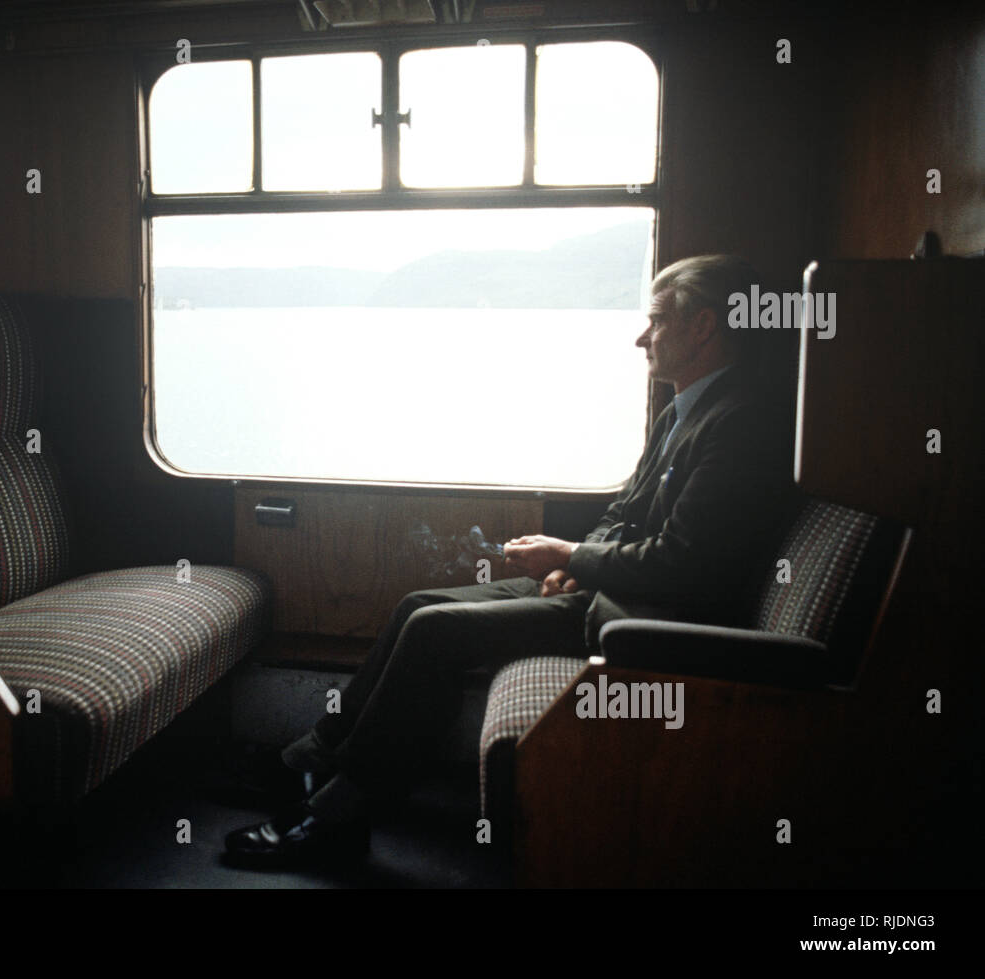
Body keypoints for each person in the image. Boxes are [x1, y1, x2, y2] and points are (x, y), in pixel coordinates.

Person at [223, 254, 796, 867]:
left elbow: (684, 563)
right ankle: (309, 761)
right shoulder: (685, 410)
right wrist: (572, 563)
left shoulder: (739, 423)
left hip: (643, 622)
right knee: (417, 604)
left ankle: (342, 816)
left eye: (655, 321)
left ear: (703, 326)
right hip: (606, 589)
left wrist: (571, 554)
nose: (642, 338)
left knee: (436, 630)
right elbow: (623, 511)